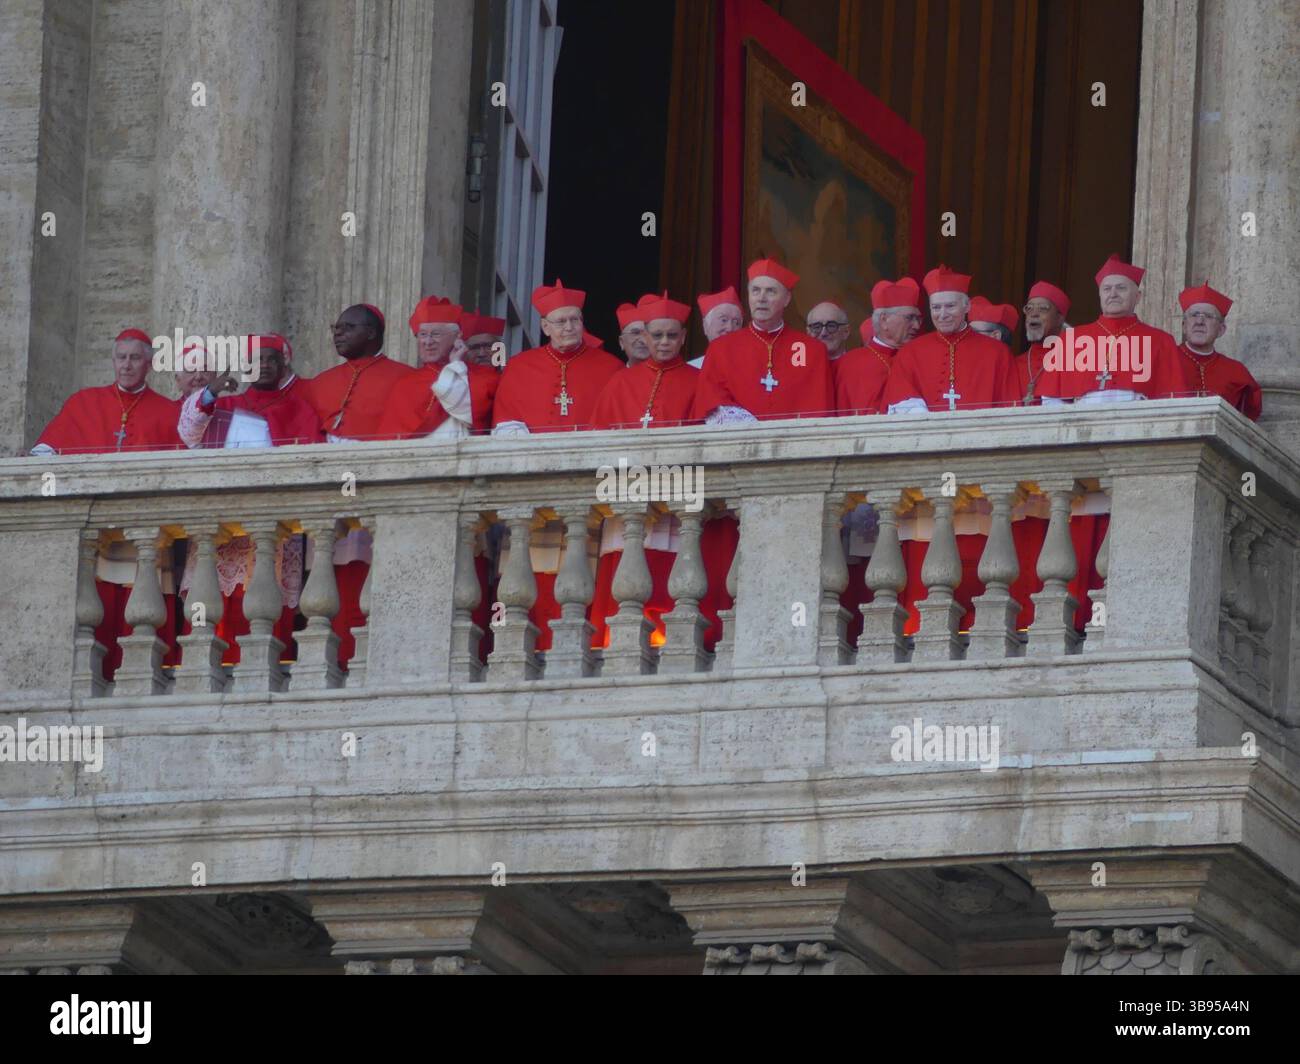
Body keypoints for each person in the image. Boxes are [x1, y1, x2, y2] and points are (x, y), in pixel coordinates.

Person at [588, 292, 701, 648]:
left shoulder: (699, 381)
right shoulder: (619, 384)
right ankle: (615, 642)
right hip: (625, 495)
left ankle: (669, 641)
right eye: (657, 335)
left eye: (672, 335)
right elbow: (597, 442)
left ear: (683, 337)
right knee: (622, 571)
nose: (664, 342)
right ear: (645, 338)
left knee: (670, 573)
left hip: (675, 496)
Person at [689, 258, 834, 423]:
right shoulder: (721, 348)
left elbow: (820, 410)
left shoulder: (811, 350)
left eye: (771, 291)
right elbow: (710, 402)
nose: (761, 298)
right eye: (755, 290)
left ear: (787, 299)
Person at [1038, 254, 1194, 405]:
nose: (1113, 294)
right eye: (1106, 289)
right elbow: (1051, 398)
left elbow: (1173, 401)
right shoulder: (1071, 339)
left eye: (1121, 288)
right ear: (1100, 295)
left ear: (1138, 296)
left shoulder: (1161, 341)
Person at [491, 279, 623, 434]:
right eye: (561, 321)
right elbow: (506, 423)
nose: (569, 327)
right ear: (545, 327)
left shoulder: (611, 367)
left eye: (575, 319)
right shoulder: (519, 366)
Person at [882, 266, 1020, 413]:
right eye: (936, 307)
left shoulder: (997, 353)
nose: (942, 314)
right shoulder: (910, 352)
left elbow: (1010, 410)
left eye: (950, 306)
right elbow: (898, 401)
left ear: (967, 306)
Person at [31, 328, 184, 455]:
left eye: (135, 358)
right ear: (114, 362)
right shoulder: (83, 402)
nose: (126, 365)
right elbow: (46, 450)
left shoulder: (169, 412)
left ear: (149, 365)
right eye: (121, 357)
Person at [376, 296, 497, 439]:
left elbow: (468, 413)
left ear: (457, 337)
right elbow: (390, 439)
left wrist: (456, 366)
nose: (428, 342)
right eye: (422, 335)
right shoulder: (405, 383)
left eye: (435, 334)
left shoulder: (484, 376)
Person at [178, 334, 323, 447]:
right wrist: (210, 392)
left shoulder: (300, 411)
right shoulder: (225, 406)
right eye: (257, 360)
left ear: (283, 368)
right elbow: (189, 434)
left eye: (272, 360)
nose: (264, 365)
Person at [304, 304, 415, 441]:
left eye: (348, 327)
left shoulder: (406, 378)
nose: (337, 333)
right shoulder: (320, 382)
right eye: (336, 328)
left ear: (371, 333)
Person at [834, 277, 923, 416]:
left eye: (918, 318)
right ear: (884, 320)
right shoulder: (849, 364)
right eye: (909, 318)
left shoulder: (922, 357)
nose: (917, 326)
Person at [1177, 282, 1261, 420]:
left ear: (1221, 330)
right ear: (1184, 326)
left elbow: (1249, 417)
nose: (1199, 321)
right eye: (1194, 315)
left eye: (1209, 316)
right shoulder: (1163, 360)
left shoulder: (1237, 372)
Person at [1018, 281, 1070, 404]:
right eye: (1029, 308)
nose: (1034, 314)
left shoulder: (1074, 360)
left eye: (1043, 308)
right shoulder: (1014, 363)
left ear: (1060, 318)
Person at [688, 286, 743, 369]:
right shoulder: (692, 369)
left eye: (736, 322)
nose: (730, 328)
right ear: (705, 325)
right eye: (723, 320)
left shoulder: (749, 366)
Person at [615, 300, 652, 366]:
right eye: (635, 333)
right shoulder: (614, 375)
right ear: (621, 342)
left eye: (648, 333)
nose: (643, 340)